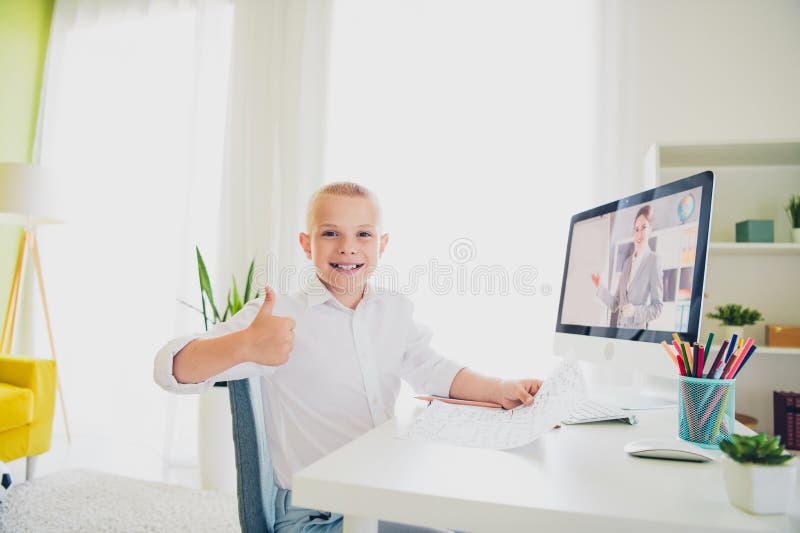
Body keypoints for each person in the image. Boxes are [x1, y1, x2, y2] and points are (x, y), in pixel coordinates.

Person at [154, 182, 543, 533]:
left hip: (384, 493)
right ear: (307, 245)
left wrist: (500, 388)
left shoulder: (394, 309)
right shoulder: (277, 314)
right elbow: (169, 369)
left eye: (363, 234)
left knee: (489, 518)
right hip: (318, 515)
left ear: (382, 245)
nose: (347, 247)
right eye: (330, 234)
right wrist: (242, 344)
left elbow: (434, 370)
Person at [590, 204, 663, 329]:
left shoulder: (654, 261)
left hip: (636, 337)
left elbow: (657, 309)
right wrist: (599, 286)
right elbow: (615, 304)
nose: (639, 233)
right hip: (619, 333)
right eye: (636, 229)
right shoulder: (627, 263)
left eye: (644, 227)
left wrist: (635, 311)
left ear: (651, 229)